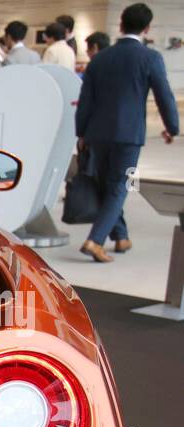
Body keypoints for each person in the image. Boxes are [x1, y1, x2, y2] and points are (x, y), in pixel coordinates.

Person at [75, 2, 179, 262]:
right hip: (128, 135)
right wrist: (172, 128)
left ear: (120, 25)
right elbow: (164, 95)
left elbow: (86, 99)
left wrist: (82, 133)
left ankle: (121, 236)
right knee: (120, 186)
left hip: (97, 133)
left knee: (106, 184)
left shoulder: (100, 58)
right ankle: (95, 241)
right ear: (147, 28)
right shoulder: (150, 57)